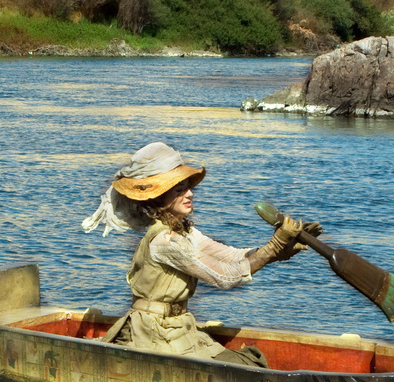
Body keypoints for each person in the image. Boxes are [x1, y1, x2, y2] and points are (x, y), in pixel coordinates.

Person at [80, 142, 310, 365]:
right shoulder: (165, 241)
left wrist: (278, 251)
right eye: (180, 190)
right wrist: (274, 246)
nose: (190, 194)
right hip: (154, 332)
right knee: (246, 364)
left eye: (189, 187)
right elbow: (224, 278)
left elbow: (230, 256)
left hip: (179, 326)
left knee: (247, 362)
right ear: (161, 197)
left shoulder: (183, 232)